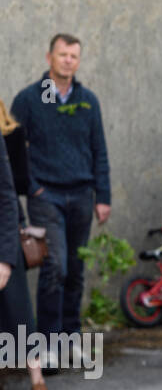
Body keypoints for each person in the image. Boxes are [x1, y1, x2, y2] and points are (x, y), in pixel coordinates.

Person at [10, 34, 110, 351]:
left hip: (82, 194)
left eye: (74, 56)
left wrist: (103, 195)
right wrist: (31, 187)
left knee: (76, 268)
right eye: (63, 54)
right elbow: (12, 150)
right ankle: (49, 344)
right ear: (49, 57)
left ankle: (71, 337)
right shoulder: (30, 99)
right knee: (56, 266)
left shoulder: (87, 101)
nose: (68, 60)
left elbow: (99, 150)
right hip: (46, 195)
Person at [0, 107, 50, 390]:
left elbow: (7, 198)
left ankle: (38, 381)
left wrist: (6, 259)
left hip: (3, 242)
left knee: (19, 316)